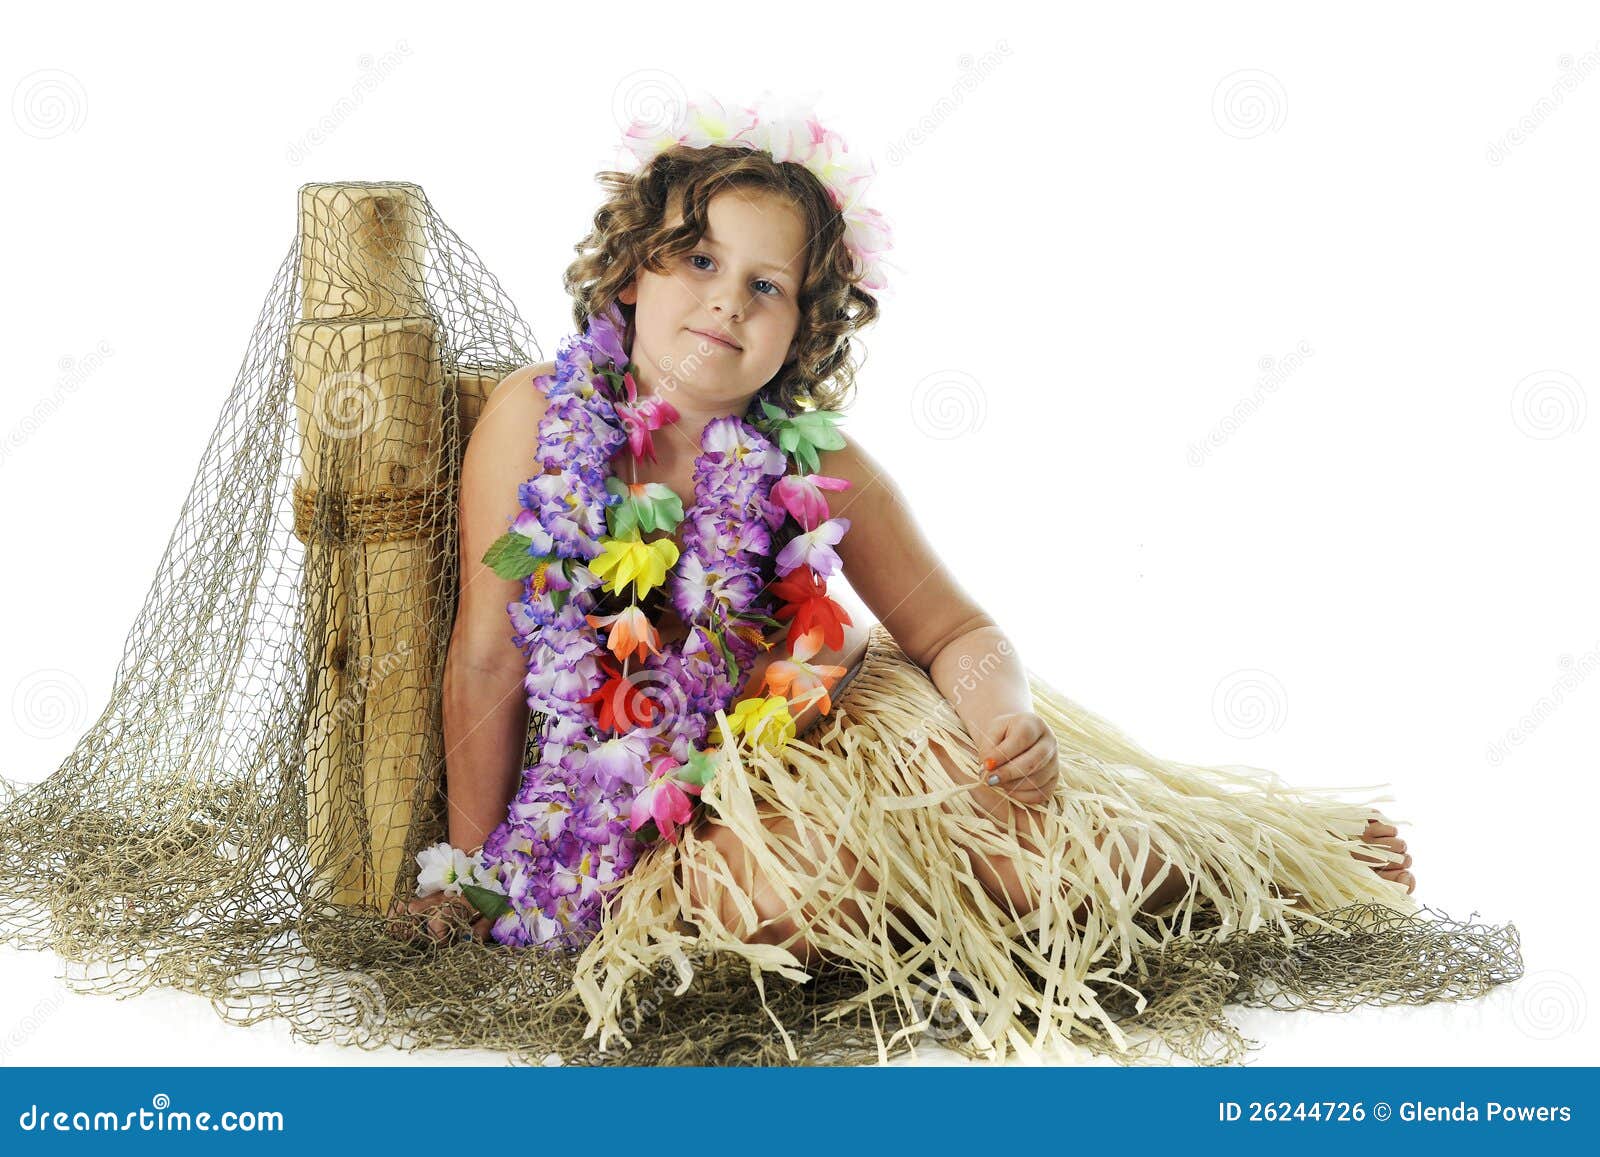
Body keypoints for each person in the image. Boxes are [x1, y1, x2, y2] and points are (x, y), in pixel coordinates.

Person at [379, 96, 1469, 1065]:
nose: (727, 303)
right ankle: (926, 903)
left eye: (768, 285)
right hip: (663, 789)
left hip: (837, 726)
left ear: (803, 326)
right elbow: (490, 651)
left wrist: (1004, 719)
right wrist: (471, 870)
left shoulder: (817, 465)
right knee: (760, 906)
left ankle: (1261, 862)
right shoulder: (540, 421)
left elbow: (959, 630)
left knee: (1031, 869)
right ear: (631, 272)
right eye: (699, 260)